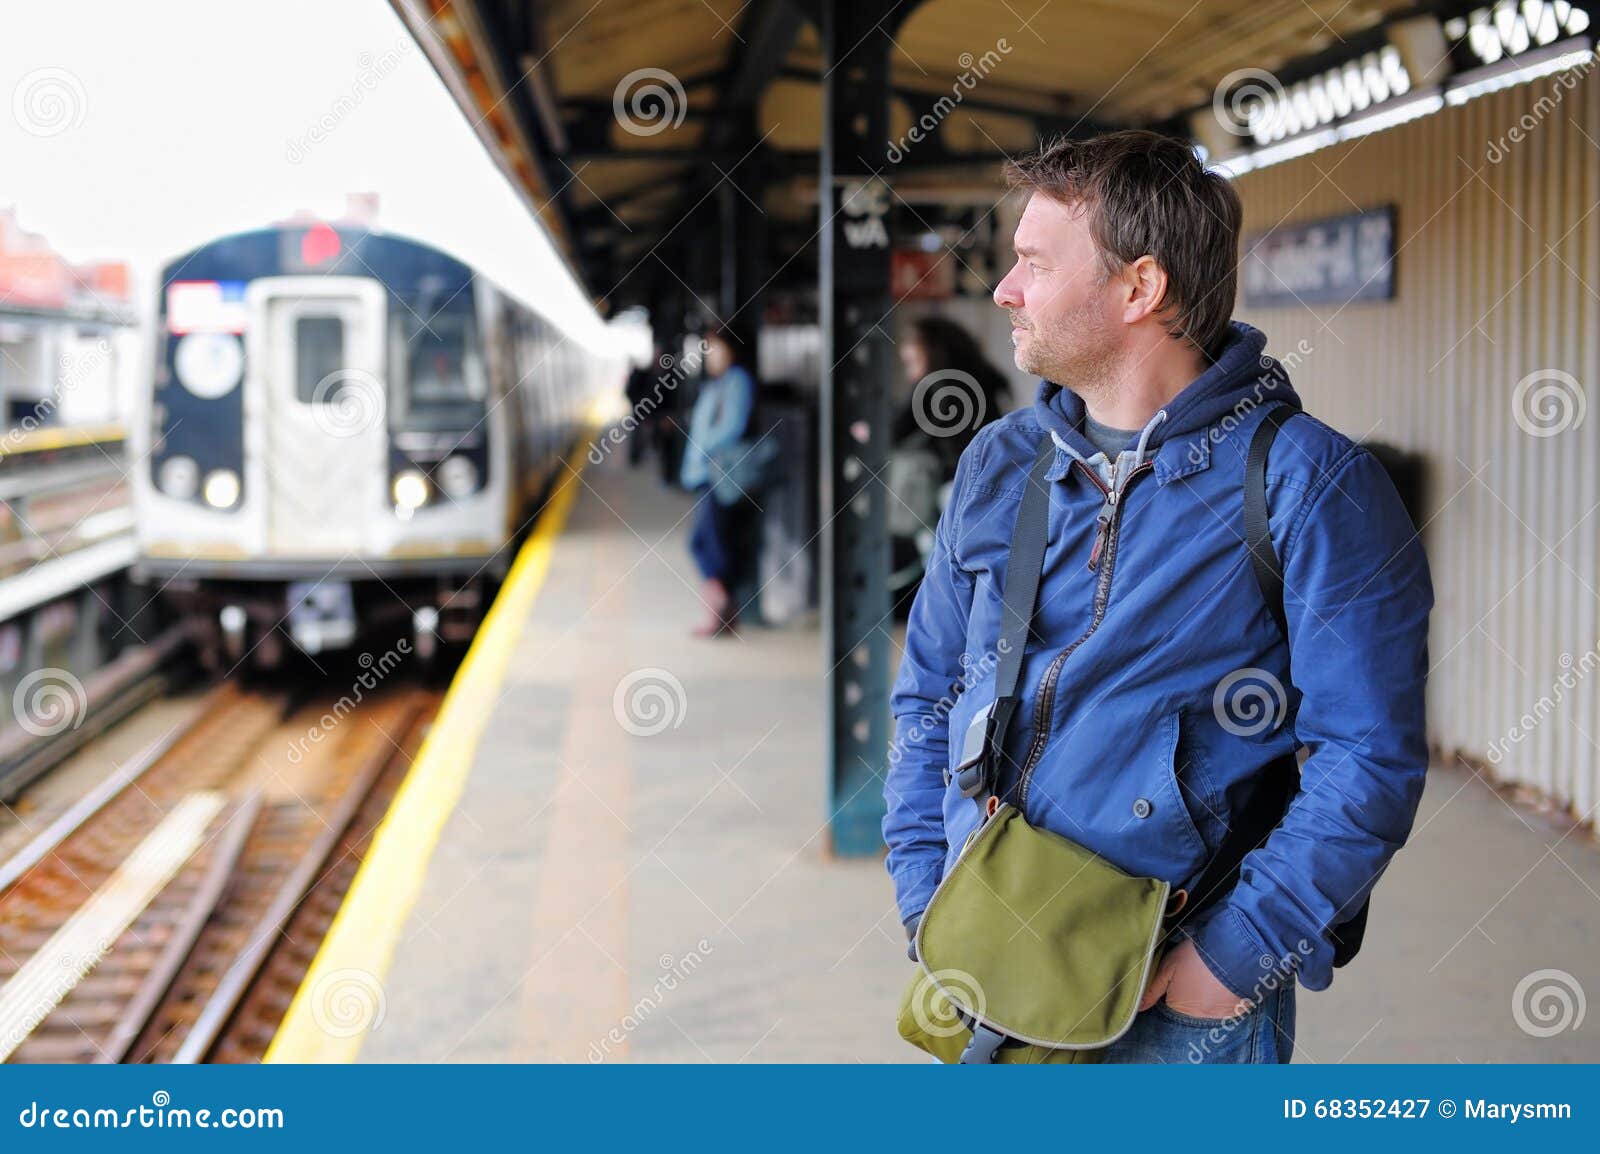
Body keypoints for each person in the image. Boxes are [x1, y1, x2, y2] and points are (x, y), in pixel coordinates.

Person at [883, 130, 1433, 1063]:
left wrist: (1232, 958)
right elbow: (928, 692)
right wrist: (924, 893)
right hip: (980, 950)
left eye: (1033, 264)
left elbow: (1368, 755)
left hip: (1175, 997)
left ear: (1140, 288)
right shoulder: (999, 463)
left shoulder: (1308, 484)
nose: (1004, 291)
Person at [888, 317, 1011, 618]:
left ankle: (948, 621)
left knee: (942, 564)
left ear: (929, 350)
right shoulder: (985, 378)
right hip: (990, 485)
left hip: (948, 488)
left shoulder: (931, 384)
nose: (907, 358)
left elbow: (894, 431)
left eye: (912, 354)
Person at [678, 328, 759, 637]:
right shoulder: (718, 384)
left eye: (715, 348)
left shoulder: (737, 381)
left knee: (703, 543)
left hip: (717, 474)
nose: (710, 356)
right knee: (711, 542)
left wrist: (702, 448)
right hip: (705, 474)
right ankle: (725, 614)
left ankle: (718, 611)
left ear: (730, 350)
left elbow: (732, 426)